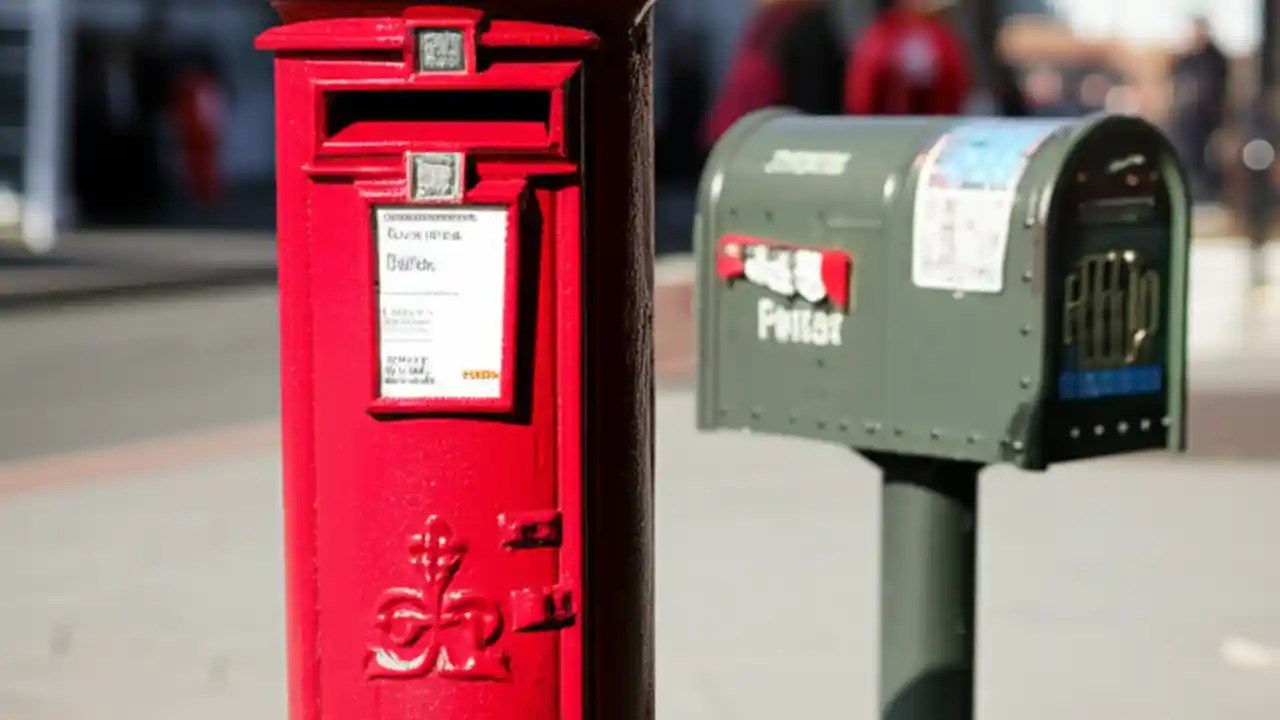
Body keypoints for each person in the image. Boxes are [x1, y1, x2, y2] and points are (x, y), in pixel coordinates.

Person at [702, 0, 846, 149]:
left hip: (737, 139)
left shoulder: (767, 26)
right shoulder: (804, 28)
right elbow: (814, 108)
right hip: (762, 142)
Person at [843, 0, 970, 116]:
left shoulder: (942, 38)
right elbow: (863, 87)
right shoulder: (883, 34)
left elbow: (955, 80)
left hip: (932, 118)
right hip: (888, 120)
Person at [1170, 16, 1229, 201]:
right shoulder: (1185, 59)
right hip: (1185, 119)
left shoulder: (1215, 58)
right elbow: (1176, 83)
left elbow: (1216, 88)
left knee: (1205, 156)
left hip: (1207, 118)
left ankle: (1206, 192)